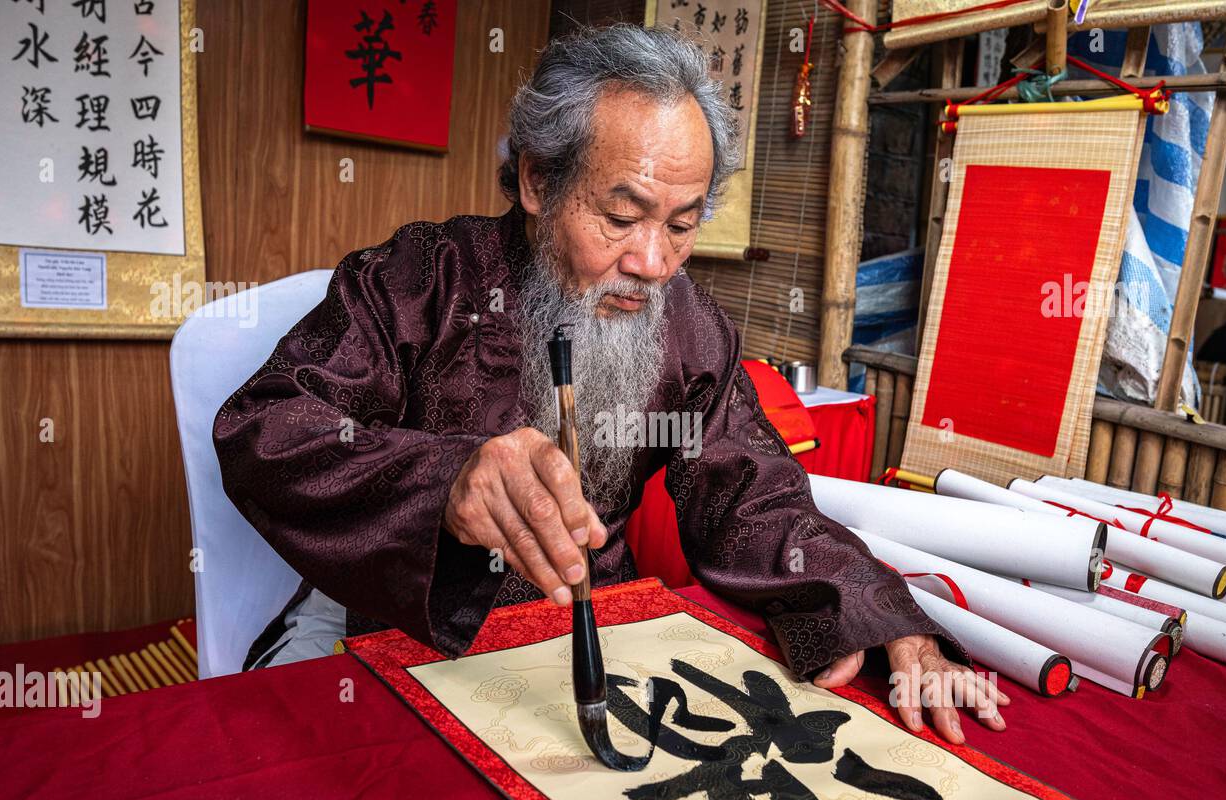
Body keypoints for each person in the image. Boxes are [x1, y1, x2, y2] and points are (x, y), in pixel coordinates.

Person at [214, 24, 1007, 744]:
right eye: (621, 217)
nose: (653, 263)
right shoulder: (422, 280)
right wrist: (444, 484)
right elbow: (268, 427)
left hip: (595, 627)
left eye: (682, 223)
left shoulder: (691, 328)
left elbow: (752, 496)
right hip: (399, 615)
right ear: (536, 181)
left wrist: (874, 611)